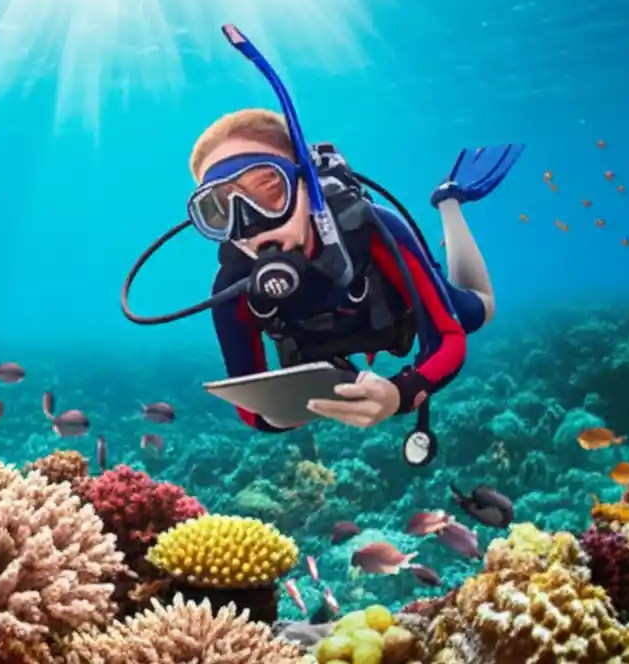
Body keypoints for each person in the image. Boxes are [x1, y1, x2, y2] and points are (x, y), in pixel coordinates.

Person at [120, 24, 523, 466]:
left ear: (307, 187)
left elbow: (447, 339)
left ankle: (449, 202)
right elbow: (251, 411)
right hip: (333, 350)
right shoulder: (234, 285)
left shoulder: (369, 228)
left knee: (478, 310)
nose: (251, 224)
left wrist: (400, 395)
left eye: (267, 188)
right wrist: (315, 403)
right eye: (220, 210)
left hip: (399, 310)